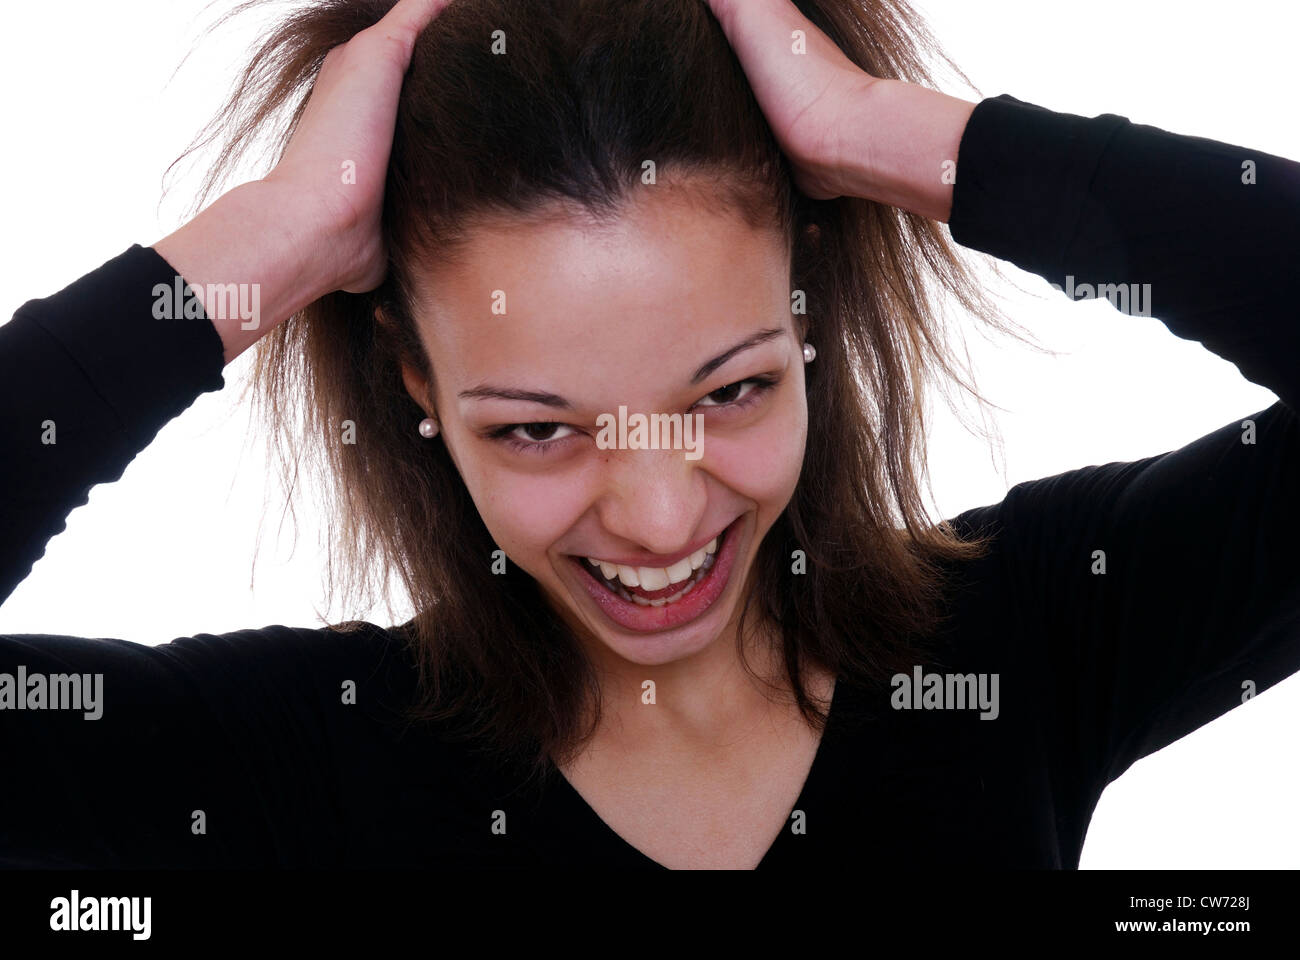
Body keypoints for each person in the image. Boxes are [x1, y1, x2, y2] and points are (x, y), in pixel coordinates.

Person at [2, 0, 1298, 870]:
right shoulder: (290, 761)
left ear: (808, 325)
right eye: (535, 430)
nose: (661, 518)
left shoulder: (1040, 635)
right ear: (415, 383)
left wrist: (898, 142)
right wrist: (265, 246)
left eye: (728, 391)